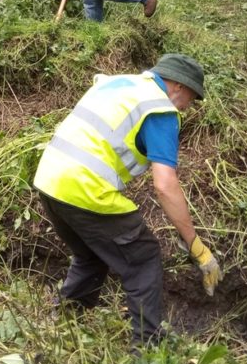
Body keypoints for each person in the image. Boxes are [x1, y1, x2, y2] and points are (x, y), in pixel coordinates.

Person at [32, 53, 222, 345]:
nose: (188, 106)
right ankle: (147, 348)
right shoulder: (160, 109)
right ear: (179, 86)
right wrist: (196, 246)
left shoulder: (119, 84)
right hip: (85, 187)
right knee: (143, 258)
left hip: (49, 179)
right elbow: (165, 185)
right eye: (192, 98)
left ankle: (64, 324)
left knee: (92, 255)